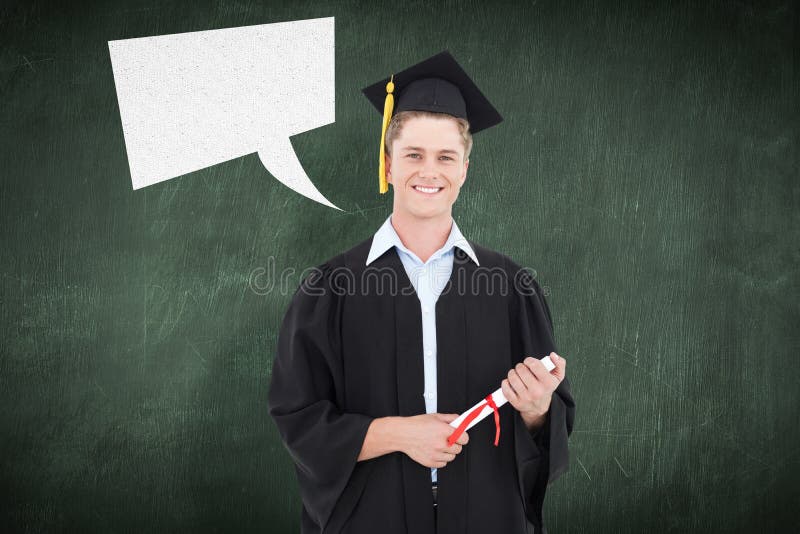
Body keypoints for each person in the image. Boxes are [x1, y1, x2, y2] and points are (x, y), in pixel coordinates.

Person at [268, 51, 575, 534]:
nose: (429, 171)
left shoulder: (511, 287)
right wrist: (398, 434)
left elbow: (548, 430)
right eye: (413, 155)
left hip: (487, 518)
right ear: (388, 164)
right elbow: (298, 418)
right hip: (370, 520)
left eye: (445, 157)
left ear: (464, 170)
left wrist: (537, 409)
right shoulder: (331, 287)